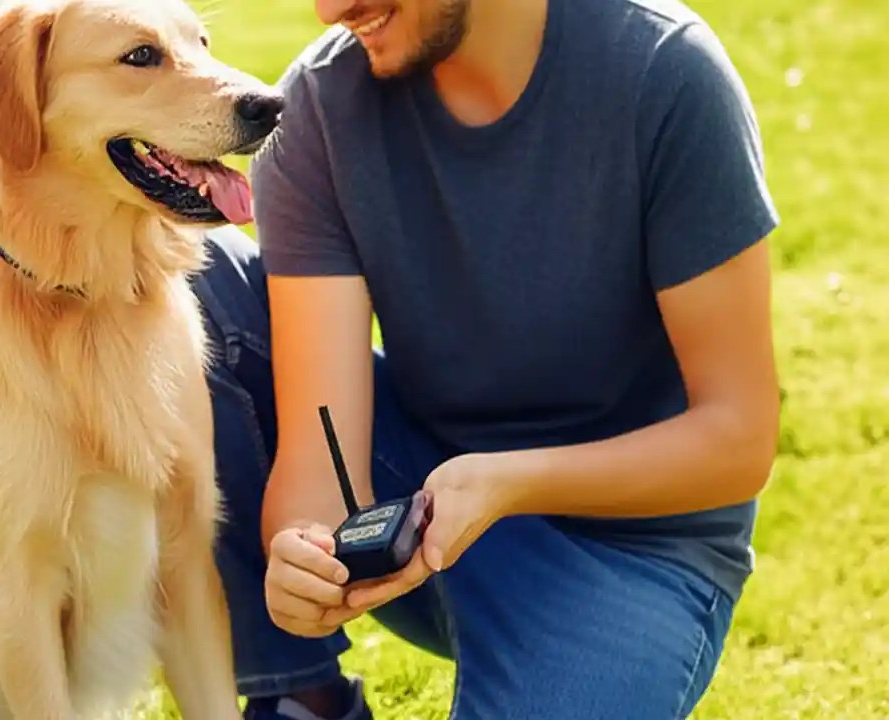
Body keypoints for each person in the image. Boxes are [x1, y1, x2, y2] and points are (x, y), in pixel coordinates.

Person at [190, 0, 780, 716]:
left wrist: (510, 483)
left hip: (631, 553)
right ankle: (300, 701)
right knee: (201, 282)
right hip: (423, 498)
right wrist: (299, 560)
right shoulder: (321, 106)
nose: (330, 10)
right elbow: (322, 462)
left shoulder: (663, 71)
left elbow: (739, 441)